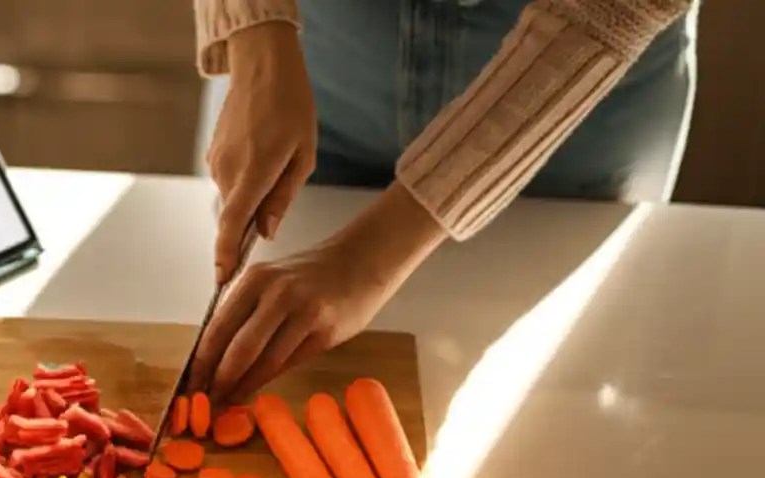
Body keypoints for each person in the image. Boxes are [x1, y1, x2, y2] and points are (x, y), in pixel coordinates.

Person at [186, 0, 697, 401]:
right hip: (311, 55)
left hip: (573, 92)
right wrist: (254, 34)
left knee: (558, 398)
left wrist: (365, 262)